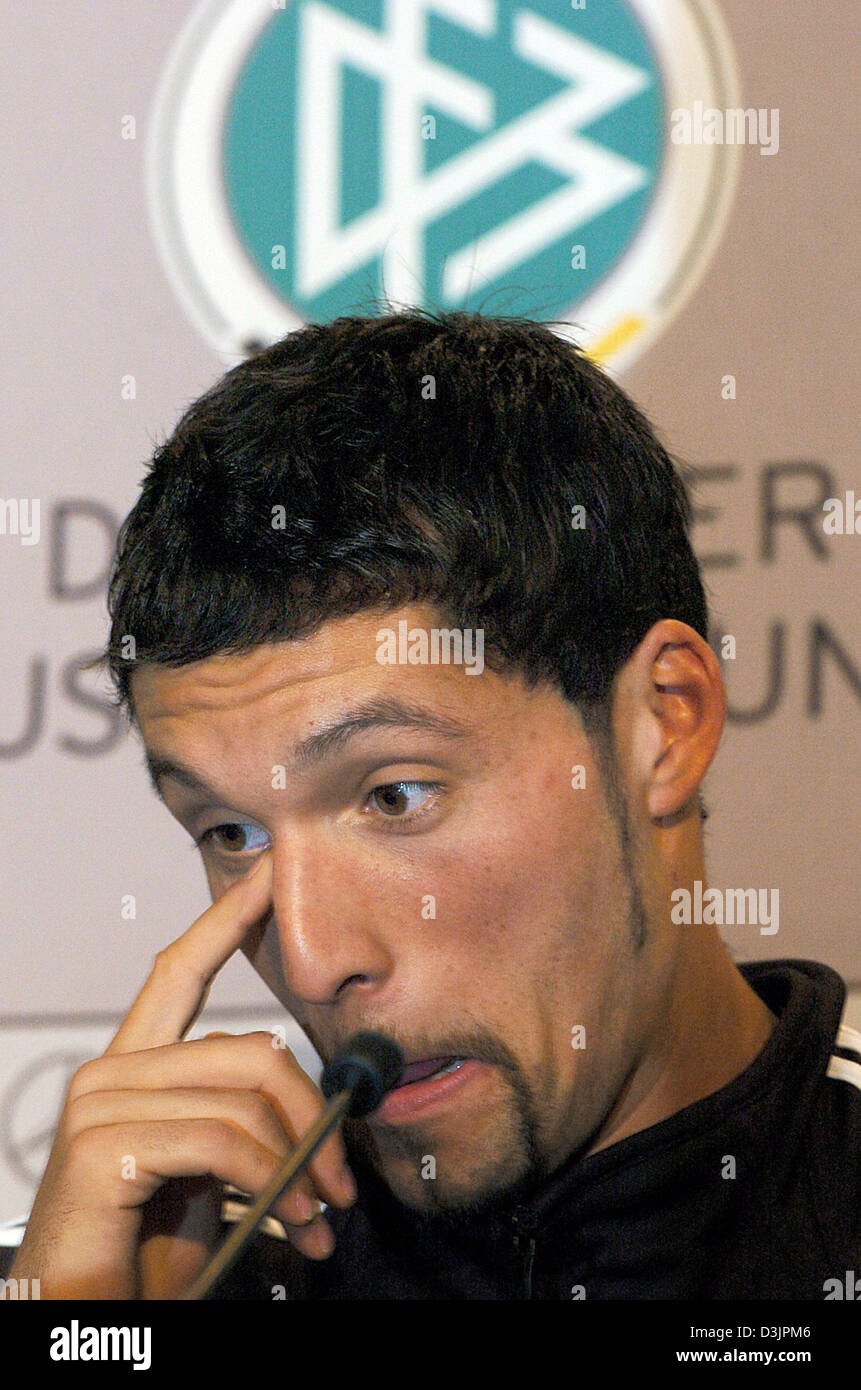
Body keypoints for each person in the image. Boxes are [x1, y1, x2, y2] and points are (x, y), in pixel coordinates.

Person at [7, 310, 859, 1299]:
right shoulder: (156, 1267)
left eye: (394, 795)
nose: (316, 961)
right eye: (231, 832)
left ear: (663, 723)